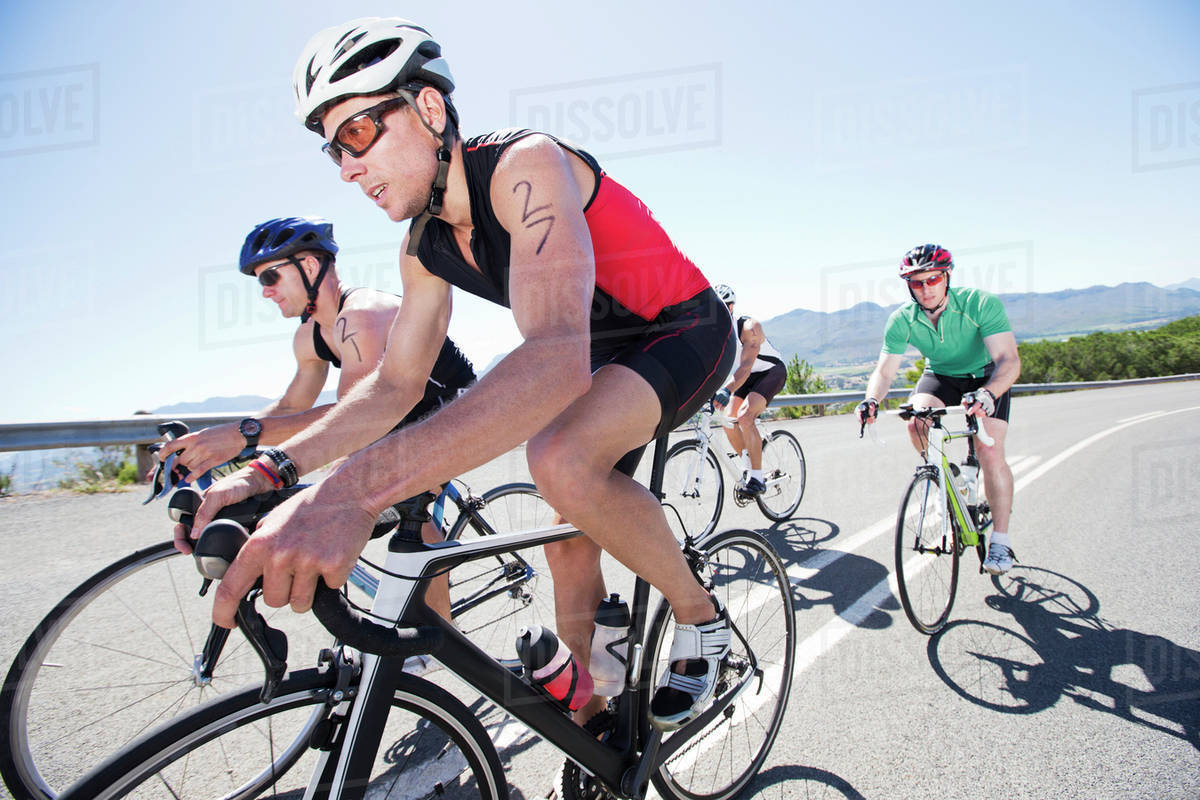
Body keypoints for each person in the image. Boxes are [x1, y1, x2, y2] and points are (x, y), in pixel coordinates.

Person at [192, 17, 736, 730]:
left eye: (357, 133)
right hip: (611, 360)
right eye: (334, 150)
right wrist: (271, 470)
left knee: (560, 459)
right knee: (567, 543)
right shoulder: (421, 251)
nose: (348, 166)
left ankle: (702, 620)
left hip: (680, 327)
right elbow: (394, 386)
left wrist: (351, 493)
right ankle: (596, 728)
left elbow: (553, 356)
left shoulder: (523, 166)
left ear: (430, 109)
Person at [160, 216, 476, 620]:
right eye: (260, 281)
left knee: (403, 499)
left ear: (309, 266)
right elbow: (292, 408)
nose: (266, 292)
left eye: (270, 277)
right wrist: (216, 448)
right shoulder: (309, 335)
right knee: (328, 488)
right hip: (388, 416)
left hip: (449, 405)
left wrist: (242, 437)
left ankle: (431, 637)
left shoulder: (362, 315)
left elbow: (355, 413)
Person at [856, 243, 1021, 574]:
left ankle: (1001, 543)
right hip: (941, 375)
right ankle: (951, 478)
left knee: (989, 452)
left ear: (947, 277)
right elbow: (885, 371)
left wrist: (988, 394)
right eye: (917, 283)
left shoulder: (978, 304)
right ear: (908, 286)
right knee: (915, 422)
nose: (926, 289)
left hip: (987, 376)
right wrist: (871, 399)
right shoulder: (903, 319)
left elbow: (1009, 361)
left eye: (933, 280)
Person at [710, 284, 788, 496]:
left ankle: (757, 478)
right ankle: (749, 462)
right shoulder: (714, 336)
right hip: (747, 376)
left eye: (721, 308)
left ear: (731, 307)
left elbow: (745, 367)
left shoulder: (749, 327)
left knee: (745, 417)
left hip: (771, 372)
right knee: (727, 421)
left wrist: (726, 390)